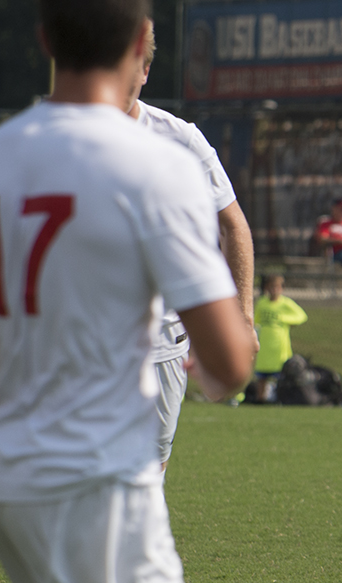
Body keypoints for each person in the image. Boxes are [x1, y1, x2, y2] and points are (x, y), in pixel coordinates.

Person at [0, 3, 254, 583]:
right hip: (98, 480)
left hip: (10, 475)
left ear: (43, 41)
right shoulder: (151, 166)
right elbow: (228, 366)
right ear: (142, 47)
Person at [125, 20, 256, 467]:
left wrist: (243, 316)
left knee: (151, 466)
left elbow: (233, 226)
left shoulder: (181, 139)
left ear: (146, 72)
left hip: (163, 340)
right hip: (85, 336)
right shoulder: (58, 141)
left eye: (136, 64)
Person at [252, 274, 309, 402]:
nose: (274, 290)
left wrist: (285, 319)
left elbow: (301, 316)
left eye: (277, 287)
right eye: (271, 287)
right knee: (262, 376)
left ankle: (280, 399)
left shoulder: (286, 303)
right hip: (265, 343)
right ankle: (260, 400)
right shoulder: (262, 303)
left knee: (280, 375)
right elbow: (257, 320)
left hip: (279, 345)